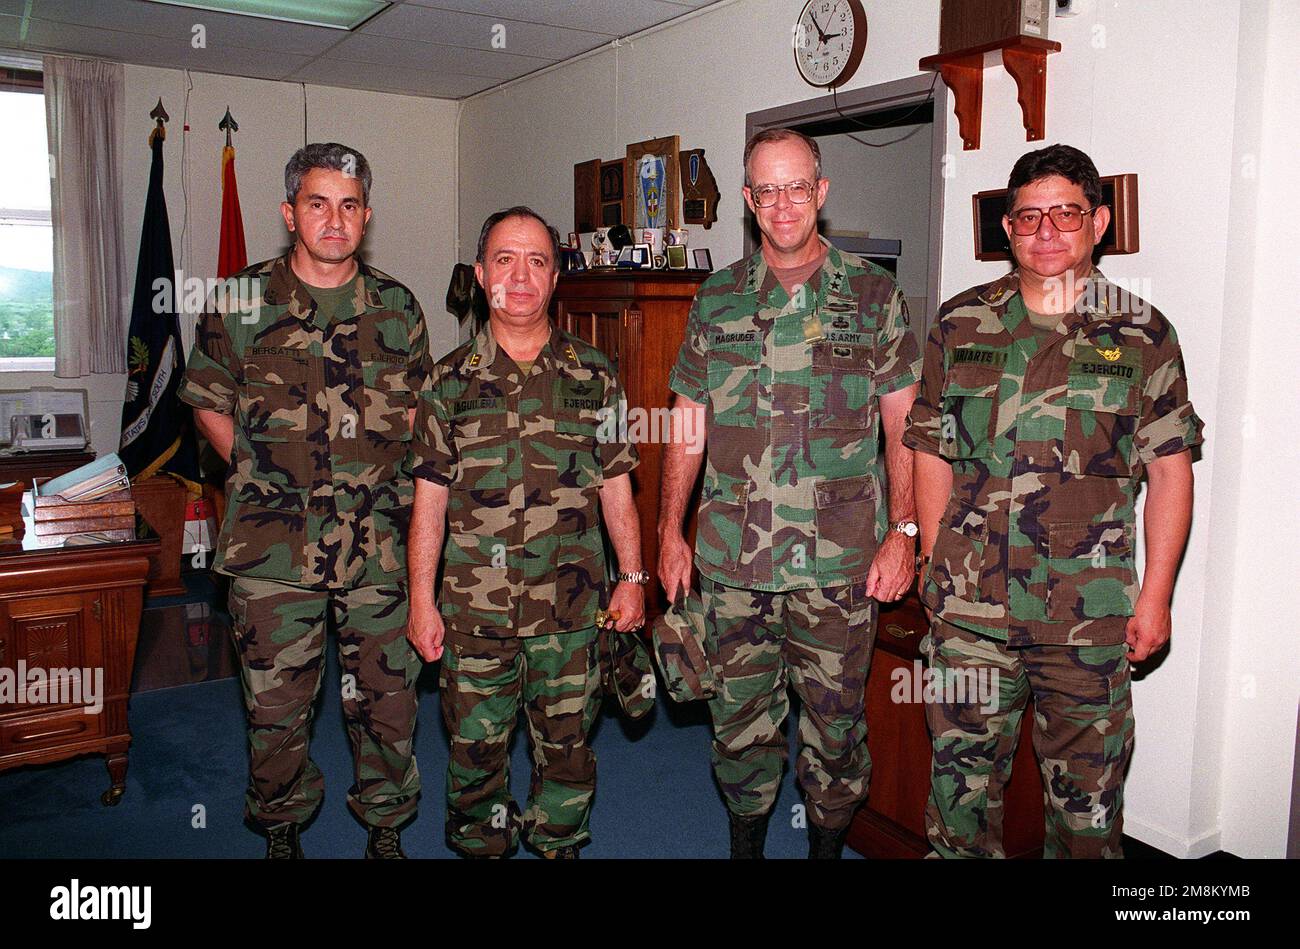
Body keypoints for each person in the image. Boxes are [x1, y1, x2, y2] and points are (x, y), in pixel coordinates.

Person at [905, 143, 1202, 858]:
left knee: (1088, 816)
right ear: (1007, 228)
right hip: (970, 609)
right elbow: (929, 445)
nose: (1046, 231)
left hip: (1087, 619)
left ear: (1097, 222)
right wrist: (928, 555)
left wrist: (1155, 596)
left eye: (1065, 214)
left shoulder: (1143, 335)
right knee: (960, 799)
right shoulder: (960, 323)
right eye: (1028, 216)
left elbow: (1170, 472)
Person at [658, 128, 922, 859]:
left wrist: (905, 532)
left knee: (836, 733)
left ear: (822, 192)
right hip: (732, 561)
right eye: (766, 190)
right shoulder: (717, 298)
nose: (782, 204)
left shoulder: (872, 295)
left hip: (837, 569)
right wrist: (668, 533)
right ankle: (746, 846)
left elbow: (904, 420)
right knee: (738, 726)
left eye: (796, 186)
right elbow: (688, 420)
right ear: (748, 200)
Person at [179, 142, 428, 859]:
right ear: (289, 212)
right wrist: (261, 473)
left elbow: (416, 417)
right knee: (276, 705)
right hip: (270, 543)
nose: (334, 219)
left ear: (366, 215)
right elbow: (208, 403)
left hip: (377, 540)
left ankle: (385, 827)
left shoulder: (397, 307)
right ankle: (281, 827)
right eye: (317, 203)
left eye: (349, 205)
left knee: (385, 699)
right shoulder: (241, 301)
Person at [406, 206, 645, 859]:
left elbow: (616, 482)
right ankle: (482, 842)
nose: (520, 275)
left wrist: (633, 577)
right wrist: (421, 599)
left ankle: (559, 838)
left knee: (567, 747)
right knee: (474, 748)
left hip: (571, 608)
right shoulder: (445, 382)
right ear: (481, 275)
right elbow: (428, 501)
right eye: (505, 260)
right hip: (473, 610)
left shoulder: (593, 373)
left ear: (556, 275)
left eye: (537, 260)